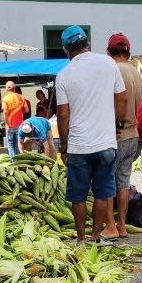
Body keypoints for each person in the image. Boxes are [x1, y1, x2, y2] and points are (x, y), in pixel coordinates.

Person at [55, 25, 125, 243]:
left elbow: (63, 114)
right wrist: (116, 123)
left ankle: (80, 239)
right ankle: (96, 236)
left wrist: (64, 145)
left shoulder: (64, 74)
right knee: (102, 193)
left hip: (78, 146)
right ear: (88, 43)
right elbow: (121, 98)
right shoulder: (108, 63)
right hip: (105, 143)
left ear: (66, 50)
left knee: (78, 195)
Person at [108, 33, 142, 239]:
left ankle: (110, 225)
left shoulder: (113, 70)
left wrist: (114, 123)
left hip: (117, 132)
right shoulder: (136, 72)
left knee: (106, 182)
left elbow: (117, 102)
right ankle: (122, 224)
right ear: (128, 52)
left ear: (109, 52)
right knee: (123, 181)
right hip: (133, 133)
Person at [1, 81, 29, 156]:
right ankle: (17, 159)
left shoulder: (5, 99)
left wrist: (6, 122)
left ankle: (13, 160)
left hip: (9, 125)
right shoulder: (21, 97)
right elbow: (27, 110)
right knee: (18, 143)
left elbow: (5, 112)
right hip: (19, 125)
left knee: (10, 144)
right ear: (15, 88)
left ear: (6, 89)